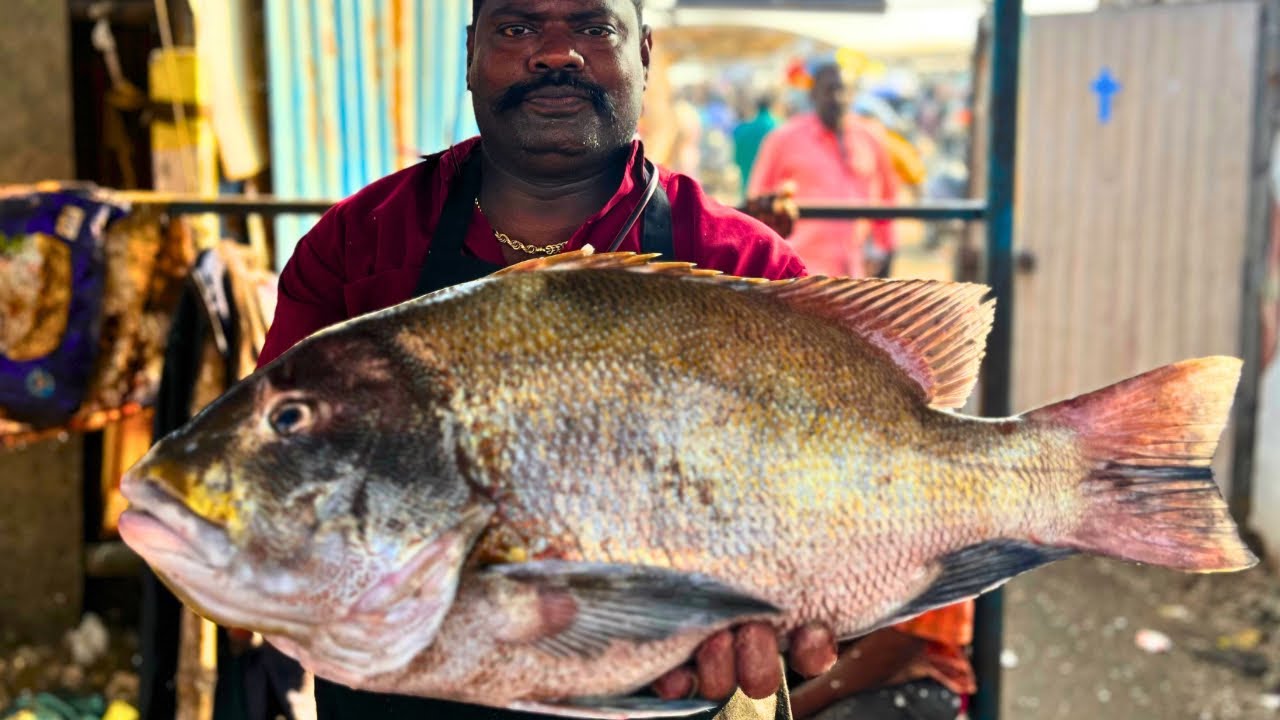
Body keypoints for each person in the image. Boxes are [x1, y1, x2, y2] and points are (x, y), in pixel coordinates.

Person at [256, 0, 839, 718]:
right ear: (471, 51)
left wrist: (797, 590)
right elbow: (278, 486)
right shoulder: (357, 246)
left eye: (594, 28)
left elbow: (818, 496)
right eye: (518, 27)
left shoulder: (744, 267)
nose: (557, 53)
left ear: (644, 52)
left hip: (670, 689)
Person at [747, 63, 899, 279]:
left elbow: (887, 196)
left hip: (856, 271)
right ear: (813, 95)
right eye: (829, 90)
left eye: (844, 90)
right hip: (800, 270)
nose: (837, 98)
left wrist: (884, 248)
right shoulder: (784, 138)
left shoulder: (871, 136)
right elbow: (758, 198)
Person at [732, 95, 780, 197]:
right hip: (771, 192)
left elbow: (737, 157)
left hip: (747, 181)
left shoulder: (744, 129)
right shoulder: (778, 128)